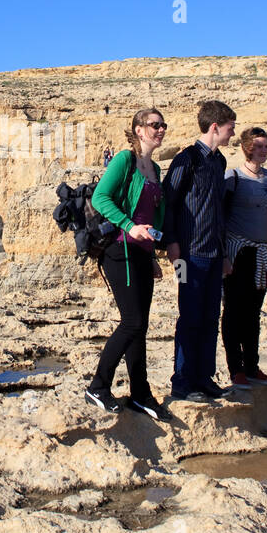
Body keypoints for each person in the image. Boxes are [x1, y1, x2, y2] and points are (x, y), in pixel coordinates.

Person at [87, 110, 171, 419]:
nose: (160, 129)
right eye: (154, 125)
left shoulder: (156, 169)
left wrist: (151, 256)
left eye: (163, 125)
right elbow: (100, 198)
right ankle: (98, 386)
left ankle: (140, 393)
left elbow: (150, 217)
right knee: (132, 322)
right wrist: (127, 225)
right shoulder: (125, 159)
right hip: (118, 249)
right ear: (138, 129)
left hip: (140, 253)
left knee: (141, 326)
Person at [162, 100, 236, 402]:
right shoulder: (186, 159)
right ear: (215, 127)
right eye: (230, 128)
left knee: (209, 317)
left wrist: (225, 254)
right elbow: (168, 202)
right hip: (187, 255)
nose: (233, 134)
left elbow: (219, 211)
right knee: (189, 316)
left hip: (214, 254)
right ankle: (182, 381)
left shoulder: (219, 163)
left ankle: (204, 377)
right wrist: (172, 244)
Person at [221, 127, 267, 387]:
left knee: (253, 312)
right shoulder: (233, 177)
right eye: (258, 146)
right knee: (234, 311)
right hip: (238, 252)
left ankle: (253, 366)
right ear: (246, 148)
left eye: (266, 146)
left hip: (262, 253)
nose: (263, 150)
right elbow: (221, 216)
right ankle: (236, 369)